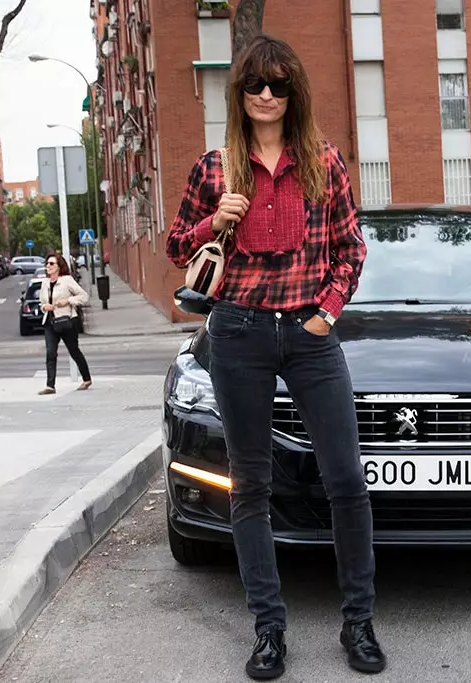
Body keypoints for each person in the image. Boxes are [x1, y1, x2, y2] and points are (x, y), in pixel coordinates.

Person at [165, 34, 384, 680]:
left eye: (278, 84)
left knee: (345, 477)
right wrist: (213, 221)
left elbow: (352, 249)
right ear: (239, 94)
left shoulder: (324, 163)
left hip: (310, 336)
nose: (266, 94)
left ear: (294, 94)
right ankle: (269, 629)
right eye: (255, 84)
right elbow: (178, 244)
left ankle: (359, 620)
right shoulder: (214, 169)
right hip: (239, 334)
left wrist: (327, 311)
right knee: (251, 485)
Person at [38, 253, 91, 395]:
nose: (47, 266)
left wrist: (67, 301)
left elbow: (84, 296)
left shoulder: (67, 280)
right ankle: (50, 386)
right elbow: (41, 302)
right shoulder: (44, 282)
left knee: (74, 351)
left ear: (59, 267)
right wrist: (44, 307)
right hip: (50, 322)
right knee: (50, 353)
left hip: (66, 321)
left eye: (51, 264)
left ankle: (86, 379)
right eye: (47, 263)